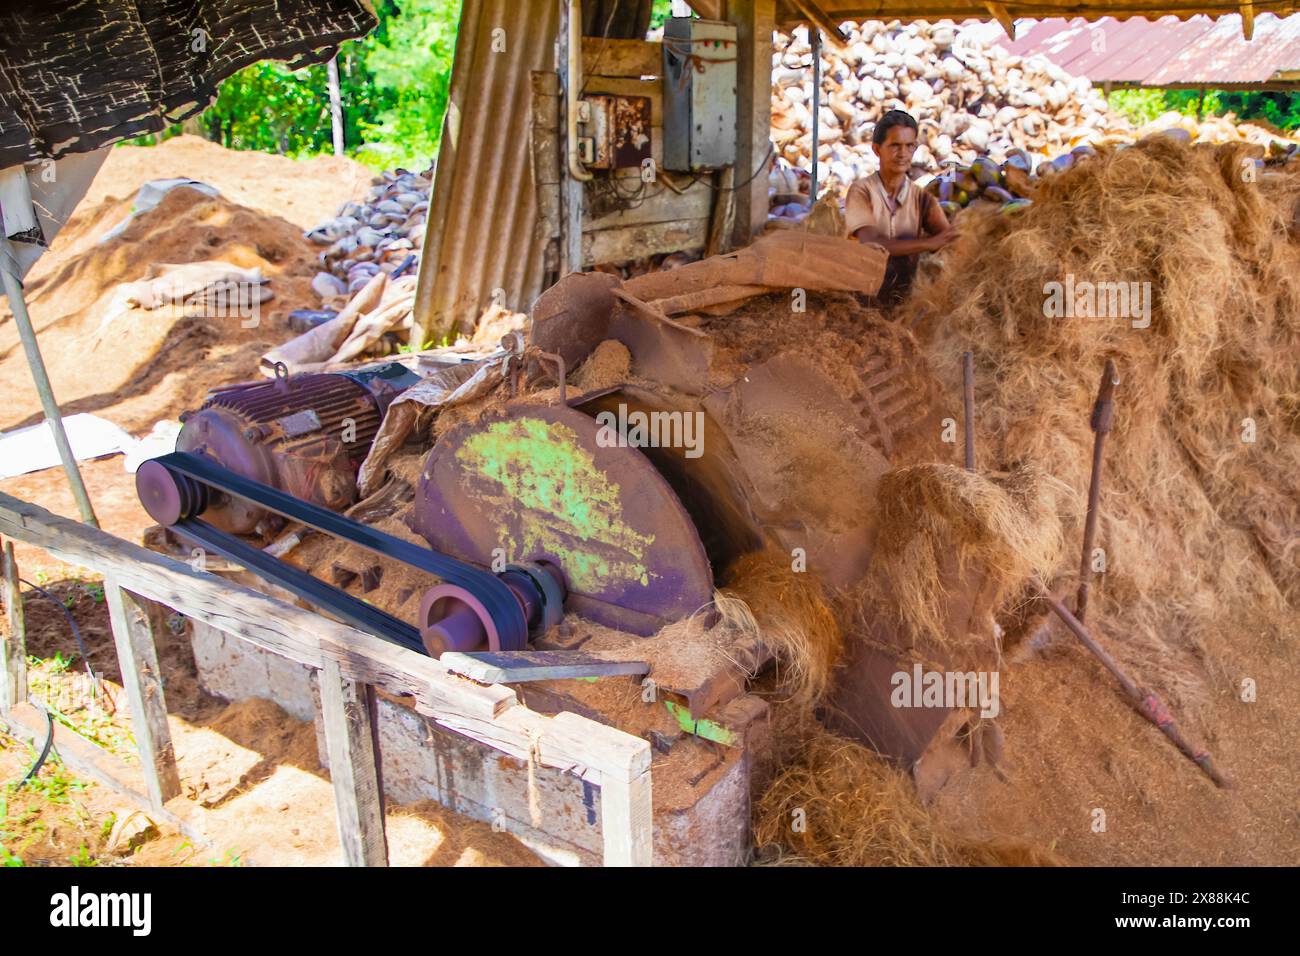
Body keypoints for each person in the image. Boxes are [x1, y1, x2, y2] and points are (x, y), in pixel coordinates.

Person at [845, 109, 955, 303]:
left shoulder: (923, 199)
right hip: (862, 302)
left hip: (905, 305)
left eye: (909, 146)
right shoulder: (861, 192)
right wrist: (928, 244)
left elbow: (949, 240)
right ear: (877, 149)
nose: (903, 153)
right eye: (895, 145)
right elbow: (871, 245)